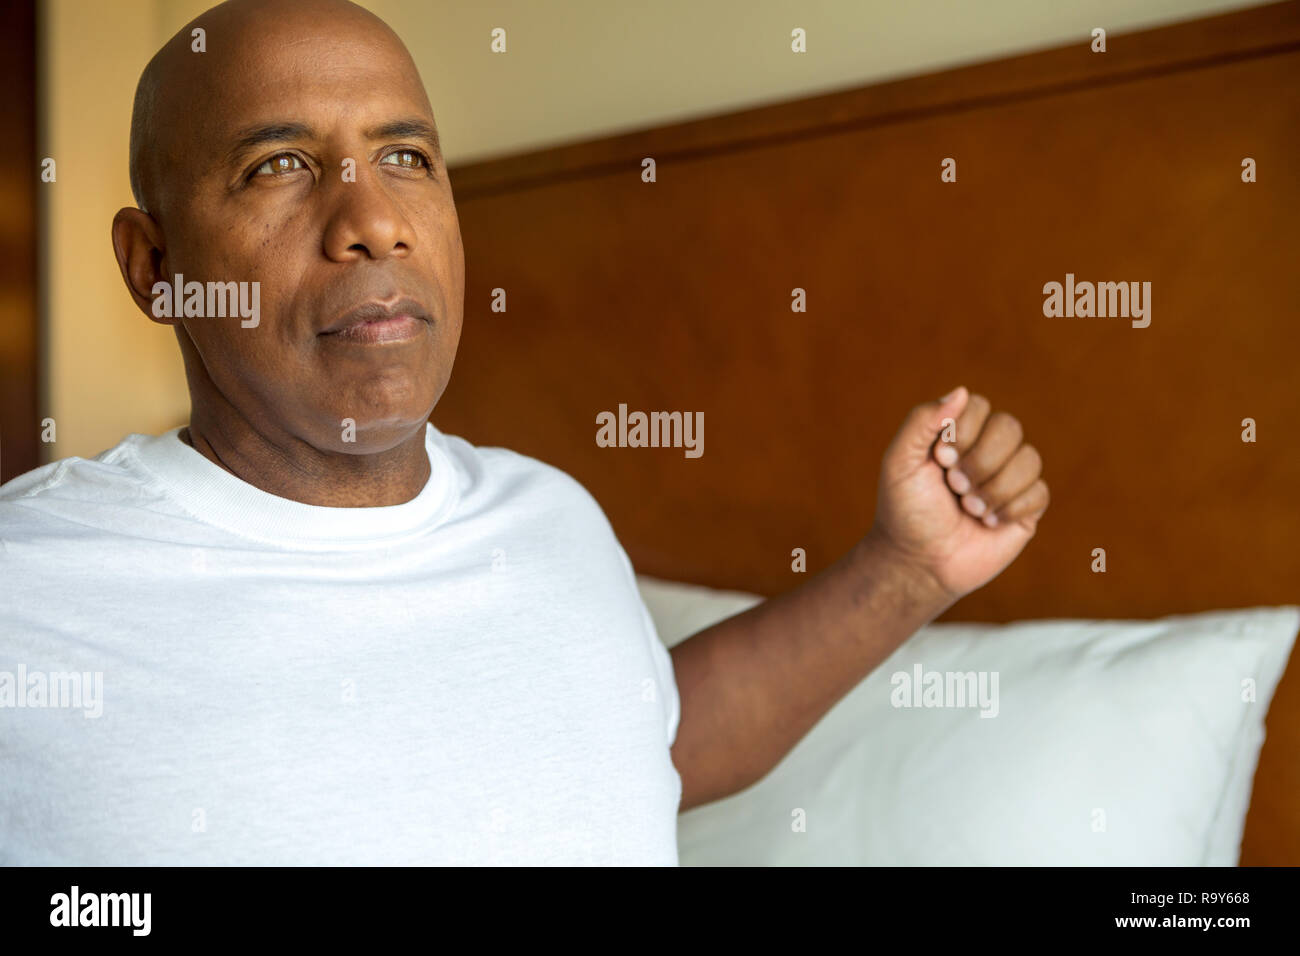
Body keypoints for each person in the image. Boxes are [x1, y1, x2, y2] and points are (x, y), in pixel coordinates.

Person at [0, 0, 1048, 865]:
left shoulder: (547, 516)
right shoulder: (32, 587)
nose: (373, 218)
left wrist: (905, 567)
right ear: (155, 266)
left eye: (405, 155)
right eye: (278, 165)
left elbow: (649, 737)